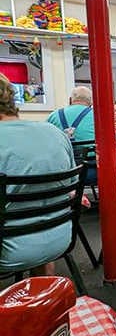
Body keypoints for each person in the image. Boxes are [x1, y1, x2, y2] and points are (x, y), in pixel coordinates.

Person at [0, 74, 76, 275]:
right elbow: (72, 190)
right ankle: (42, 298)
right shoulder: (55, 133)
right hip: (59, 239)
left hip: (7, 251)